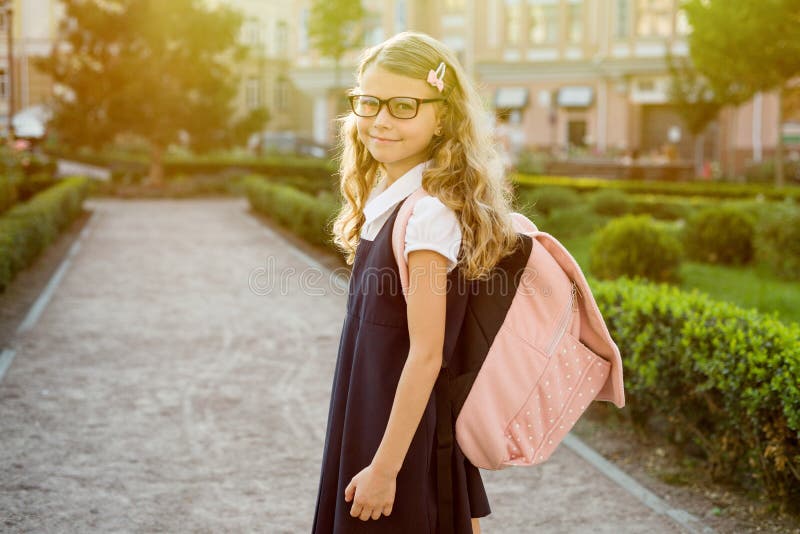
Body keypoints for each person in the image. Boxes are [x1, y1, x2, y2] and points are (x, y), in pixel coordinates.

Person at [312, 31, 520, 534]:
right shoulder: (389, 203)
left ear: (442, 117)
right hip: (372, 414)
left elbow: (427, 355)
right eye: (369, 102)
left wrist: (385, 470)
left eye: (404, 106)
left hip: (398, 438)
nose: (381, 120)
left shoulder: (428, 216)